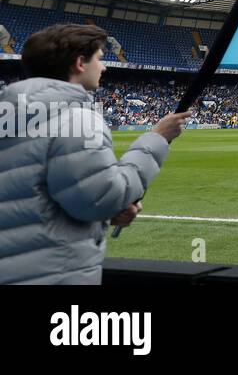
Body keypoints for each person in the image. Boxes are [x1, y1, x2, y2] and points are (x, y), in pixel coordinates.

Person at [0, 24, 189, 285]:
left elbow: (27, 200)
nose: (104, 67)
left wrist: (107, 214)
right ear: (80, 63)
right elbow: (101, 197)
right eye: (99, 58)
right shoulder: (78, 119)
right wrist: (157, 138)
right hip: (49, 273)